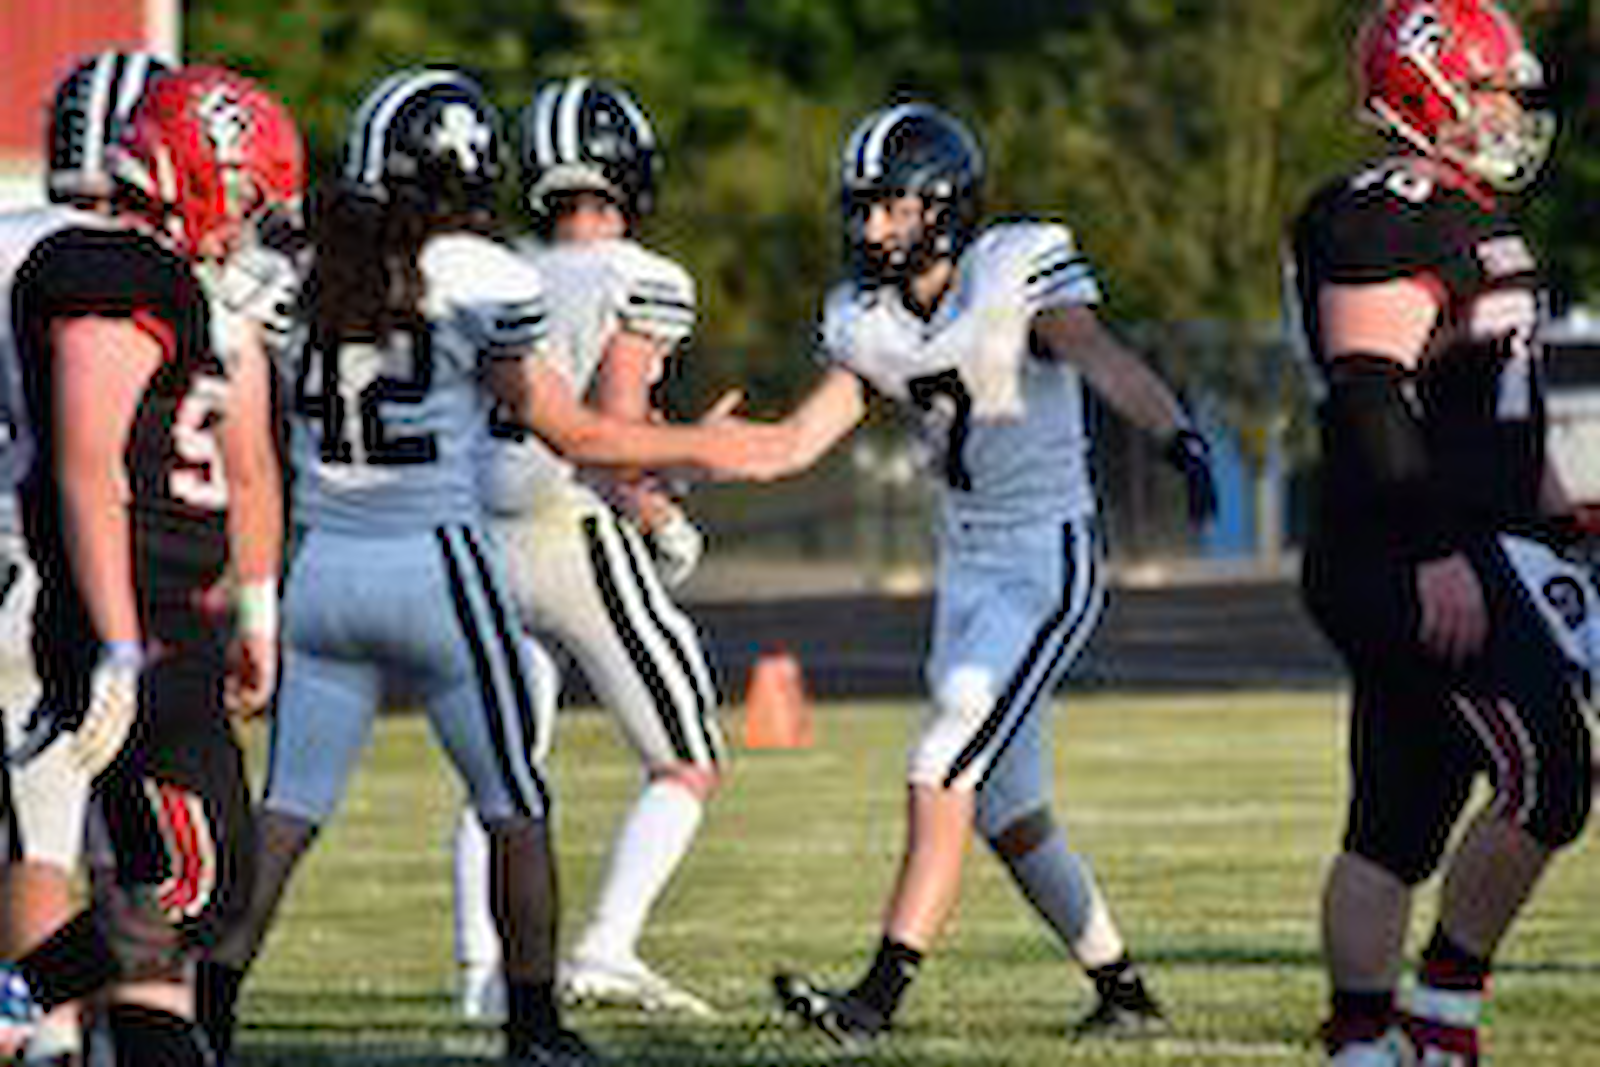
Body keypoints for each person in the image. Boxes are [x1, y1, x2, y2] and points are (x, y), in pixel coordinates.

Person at [197, 67, 789, 1067]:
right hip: (435, 557)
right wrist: (704, 446)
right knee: (516, 799)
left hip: (323, 567)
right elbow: (573, 429)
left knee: (287, 807)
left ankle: (206, 1013)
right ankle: (532, 1021)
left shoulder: (292, 268)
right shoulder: (481, 272)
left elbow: (245, 391)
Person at [758, 101, 1216, 1047]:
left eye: (889, 207)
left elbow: (1096, 351)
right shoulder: (866, 318)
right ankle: (1124, 996)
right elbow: (796, 438)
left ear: (941, 205)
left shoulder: (1016, 266)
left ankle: (875, 1002)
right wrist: (676, 456)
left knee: (942, 760)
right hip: (966, 567)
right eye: (863, 209)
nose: (870, 227)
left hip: (1047, 555)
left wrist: (1176, 431)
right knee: (1007, 809)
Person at [1288, 2, 1593, 1064]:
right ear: (1429, 91)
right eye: (1492, 89)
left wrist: (1562, 510)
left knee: (1399, 818)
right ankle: (1436, 1017)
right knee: (1547, 777)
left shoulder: (1459, 209)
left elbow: (1494, 395)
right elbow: (1368, 390)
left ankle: (1362, 1039)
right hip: (1408, 545)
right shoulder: (1388, 206)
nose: (1509, 111)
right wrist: (1433, 552)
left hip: (1449, 538)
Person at [0, 64, 303, 1066]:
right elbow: (88, 464)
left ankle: (38, 1007)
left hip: (180, 615)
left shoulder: (205, 289)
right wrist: (118, 643)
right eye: (246, 191)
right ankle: (21, 1006)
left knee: (194, 883)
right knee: (160, 868)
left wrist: (256, 613)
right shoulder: (103, 268)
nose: (248, 220)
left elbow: (252, 467)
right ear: (198, 170)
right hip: (109, 610)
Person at [453, 76, 722, 1022]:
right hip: (569, 523)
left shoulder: (498, 270)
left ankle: (483, 974)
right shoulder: (640, 276)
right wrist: (664, 517)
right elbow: (610, 423)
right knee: (687, 754)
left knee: (503, 759)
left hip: (477, 523)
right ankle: (608, 944)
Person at [0, 51, 176, 1067]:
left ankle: (59, 1030)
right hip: (97, 564)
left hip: (25, 557)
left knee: (44, 833)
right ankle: (68, 1030)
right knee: (109, 839)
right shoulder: (124, 264)